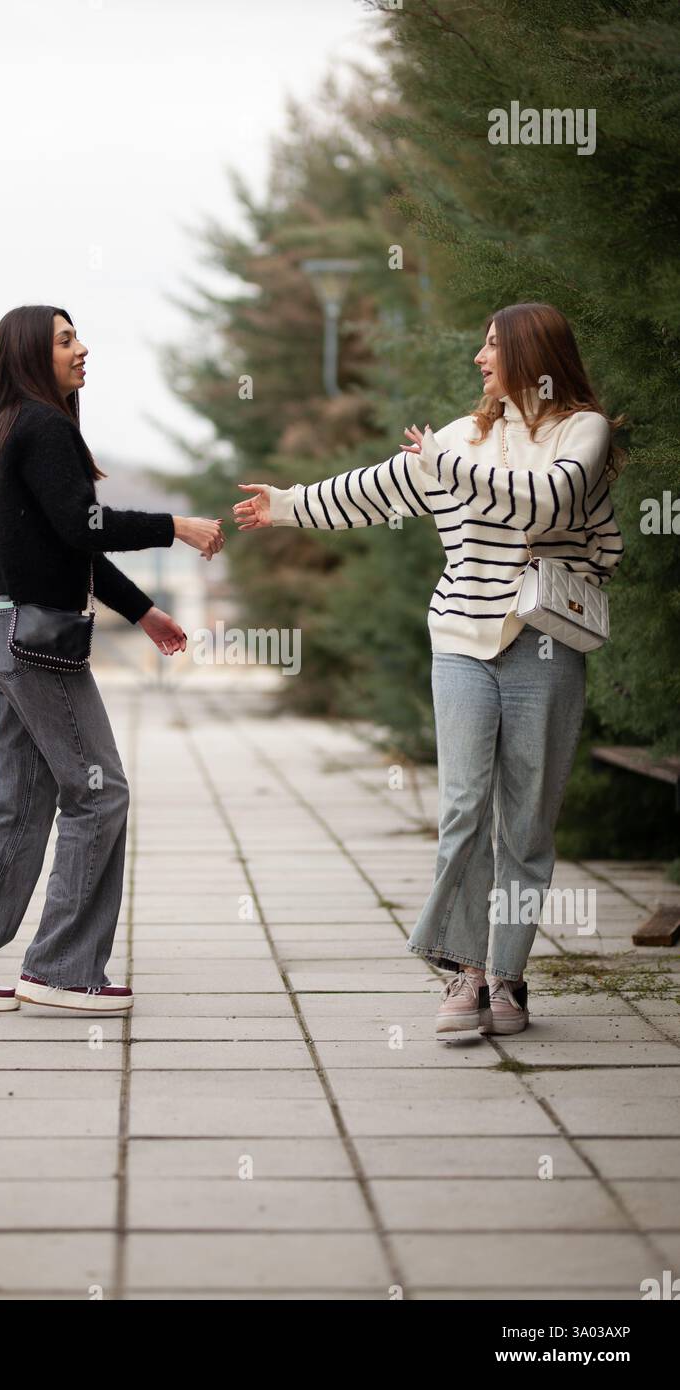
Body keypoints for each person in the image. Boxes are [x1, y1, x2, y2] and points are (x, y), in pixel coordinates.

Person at [233, 301, 625, 1038]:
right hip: (461, 641)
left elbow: (548, 500)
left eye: (492, 345)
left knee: (529, 820)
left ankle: (508, 980)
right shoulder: (462, 436)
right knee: (464, 808)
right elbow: (374, 489)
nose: (480, 359)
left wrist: (445, 463)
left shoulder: (583, 432)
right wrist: (286, 504)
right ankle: (464, 970)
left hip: (547, 642)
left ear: (532, 354)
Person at [0, 305, 223, 1015]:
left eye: (77, 335)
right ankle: (62, 968)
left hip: (10, 634)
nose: (83, 349)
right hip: (39, 645)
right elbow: (88, 524)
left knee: (18, 805)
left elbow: (65, 546)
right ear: (29, 355)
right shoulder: (44, 427)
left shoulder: (7, 428)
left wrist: (142, 611)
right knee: (99, 791)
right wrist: (174, 526)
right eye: (65, 339)